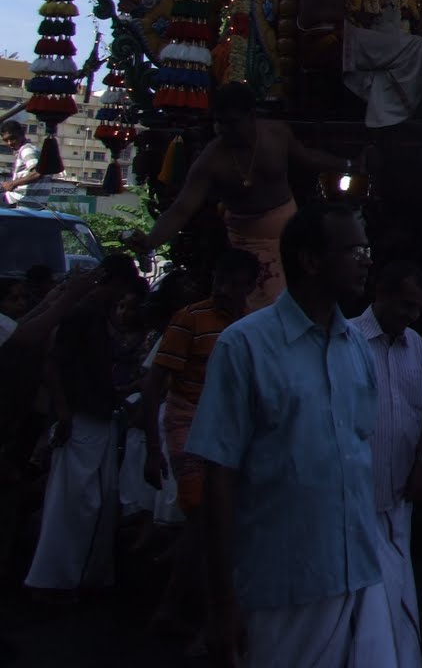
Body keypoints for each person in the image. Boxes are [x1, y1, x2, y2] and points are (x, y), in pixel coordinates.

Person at [185, 202, 393, 668]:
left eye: (367, 248)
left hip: (359, 571)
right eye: (354, 249)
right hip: (281, 585)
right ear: (311, 260)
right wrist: (222, 603)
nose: (366, 259)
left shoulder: (356, 344)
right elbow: (218, 477)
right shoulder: (245, 346)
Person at [130, 83, 356, 311]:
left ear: (251, 116)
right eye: (220, 122)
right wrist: (151, 241)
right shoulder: (211, 160)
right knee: (257, 309)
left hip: (291, 235)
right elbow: (181, 209)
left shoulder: (276, 134)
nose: (225, 129)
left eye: (233, 122)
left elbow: (307, 157)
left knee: (304, 300)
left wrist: (350, 165)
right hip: (248, 243)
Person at [143, 252, 257, 641]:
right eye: (226, 283)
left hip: (234, 426)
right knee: (205, 516)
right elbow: (155, 384)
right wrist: (151, 448)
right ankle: (202, 615)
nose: (231, 292)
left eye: (239, 285)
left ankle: (177, 606)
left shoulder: (254, 323)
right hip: (188, 420)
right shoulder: (190, 320)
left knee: (213, 520)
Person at [24, 254, 146, 594]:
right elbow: (53, 363)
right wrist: (63, 413)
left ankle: (67, 577)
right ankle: (63, 578)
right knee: (80, 502)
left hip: (94, 412)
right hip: (82, 415)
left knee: (84, 499)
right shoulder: (85, 314)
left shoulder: (95, 314)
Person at [352, 260, 422, 668]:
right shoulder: (346, 340)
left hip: (399, 493)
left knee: (397, 587)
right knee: (366, 595)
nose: (412, 316)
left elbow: (420, 411)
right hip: (355, 496)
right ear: (379, 296)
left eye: (419, 308)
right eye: (405, 306)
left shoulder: (414, 344)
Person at [299, 0, 422, 128]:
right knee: (416, 45)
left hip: (324, 37)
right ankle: (392, 111)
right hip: (334, 39)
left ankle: (378, 104)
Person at [2, 120, 44, 206]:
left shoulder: (27, 150)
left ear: (21, 134)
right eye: (6, 140)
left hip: (21, 200)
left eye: (12, 138)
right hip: (32, 201)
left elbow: (37, 173)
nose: (10, 143)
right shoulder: (29, 149)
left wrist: (12, 184)